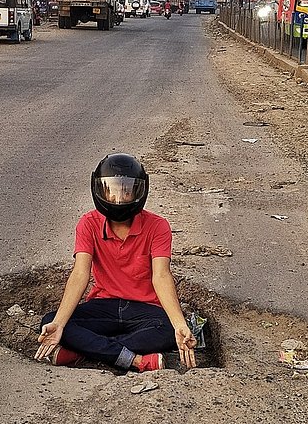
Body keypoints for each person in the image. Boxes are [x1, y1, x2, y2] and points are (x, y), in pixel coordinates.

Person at [35, 154, 198, 372]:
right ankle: (136, 360)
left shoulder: (158, 226)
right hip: (105, 305)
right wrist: (59, 324)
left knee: (169, 331)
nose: (119, 199)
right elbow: (80, 273)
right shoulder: (88, 223)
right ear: (99, 190)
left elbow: (161, 276)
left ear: (140, 191)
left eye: (127, 191)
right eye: (111, 191)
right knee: (51, 321)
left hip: (145, 309)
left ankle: (83, 352)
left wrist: (179, 324)